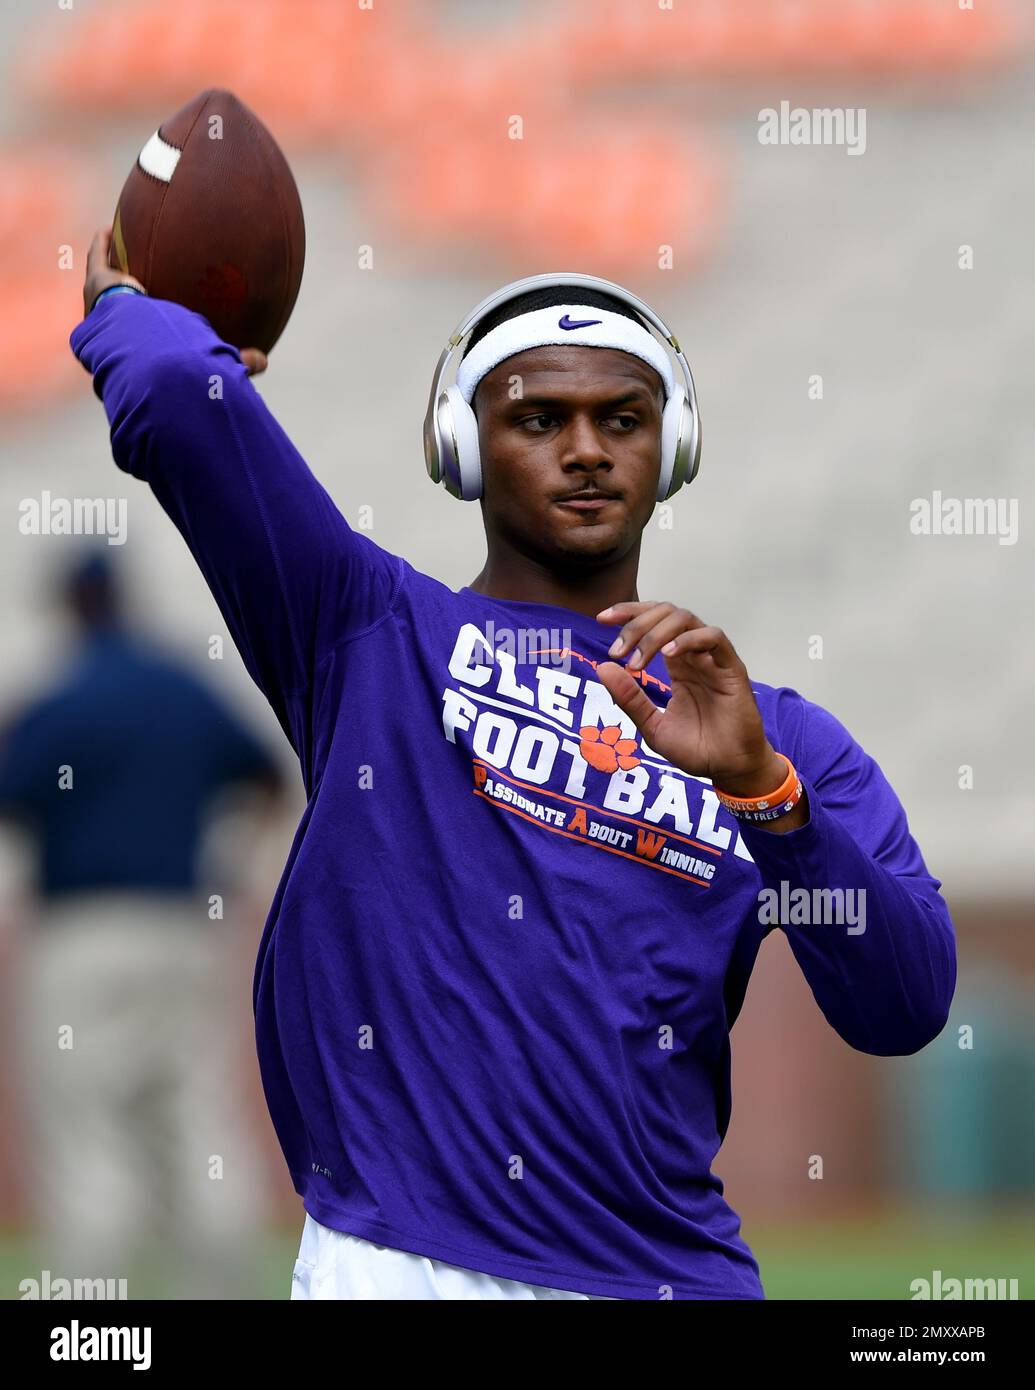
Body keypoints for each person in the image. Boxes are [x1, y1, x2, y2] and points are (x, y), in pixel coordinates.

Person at [70, 228, 957, 1301]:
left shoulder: (780, 737)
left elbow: (906, 1003)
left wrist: (770, 799)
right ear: (461, 444)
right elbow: (169, 384)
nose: (587, 450)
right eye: (539, 419)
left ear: (672, 449)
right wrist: (132, 309)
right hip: (407, 1266)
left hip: (674, 1276)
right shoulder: (366, 632)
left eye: (622, 420)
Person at [0, 547, 283, 1298]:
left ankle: (94, 1321)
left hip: (82, 934)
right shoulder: (183, 689)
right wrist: (235, 860)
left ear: (71, 609)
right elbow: (269, 776)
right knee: (199, 1123)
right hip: (185, 928)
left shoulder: (59, 702)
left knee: (88, 1134)